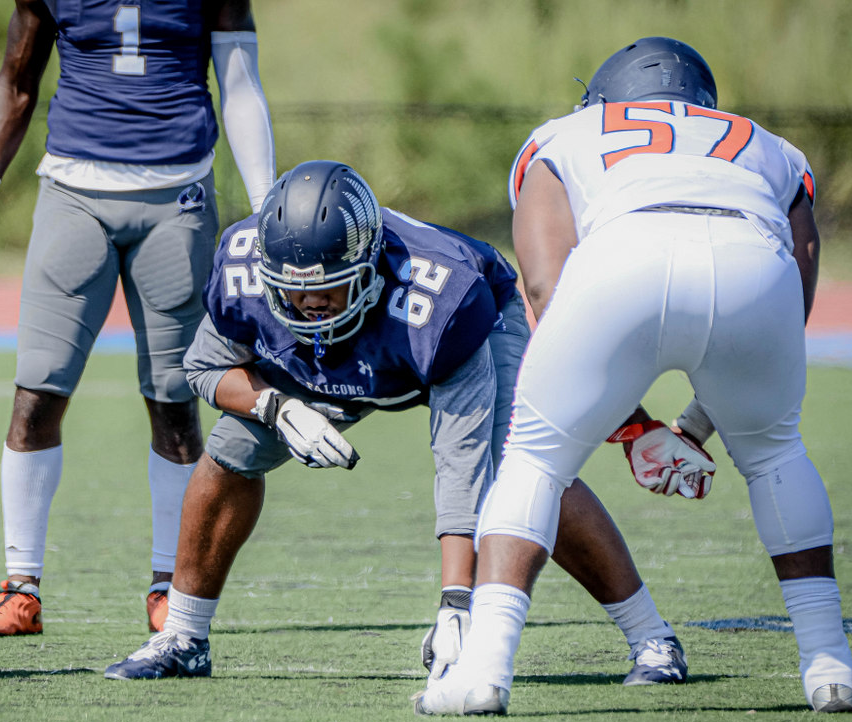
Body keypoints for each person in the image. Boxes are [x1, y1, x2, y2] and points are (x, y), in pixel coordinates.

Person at [103, 159, 697, 683]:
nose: (310, 304)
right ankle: (182, 636)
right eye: (293, 292)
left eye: (329, 289)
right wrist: (277, 407)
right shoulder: (244, 268)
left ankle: (652, 639)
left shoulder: (443, 301)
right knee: (229, 454)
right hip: (326, 361)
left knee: (523, 474)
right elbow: (205, 366)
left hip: (440, 338)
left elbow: (459, 469)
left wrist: (455, 603)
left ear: (368, 268)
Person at [415, 37, 852, 716]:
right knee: (778, 453)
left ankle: (483, 669)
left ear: (606, 97)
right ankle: (829, 665)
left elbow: (544, 282)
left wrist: (627, 425)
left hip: (622, 259)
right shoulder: (769, 145)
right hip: (753, 266)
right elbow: (794, 290)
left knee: (534, 461)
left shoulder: (563, 135)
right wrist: (694, 423)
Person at [0, 0, 277, 636]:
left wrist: (267, 209)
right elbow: (17, 79)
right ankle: (20, 587)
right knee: (36, 393)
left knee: (175, 405)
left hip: (176, 196)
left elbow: (239, 82)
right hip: (73, 193)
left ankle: (169, 586)